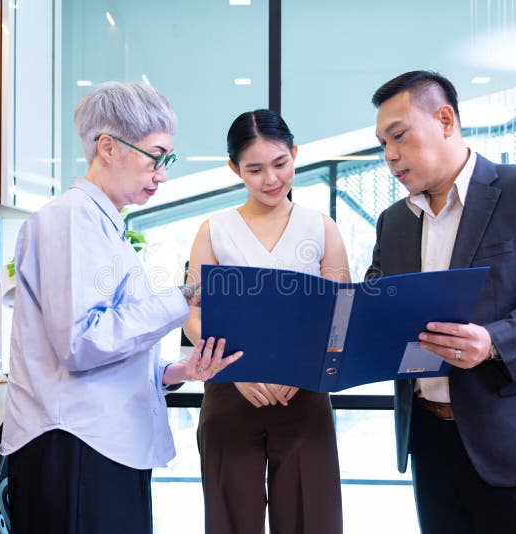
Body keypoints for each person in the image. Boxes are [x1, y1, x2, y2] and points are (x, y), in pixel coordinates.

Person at [366, 70, 516, 533]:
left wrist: (494, 340)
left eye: (398, 136)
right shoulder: (393, 221)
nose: (389, 156)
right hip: (428, 438)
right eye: (382, 143)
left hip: (514, 438)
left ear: (444, 120)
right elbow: (379, 302)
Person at [0, 82, 242, 534]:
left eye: (167, 159)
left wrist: (175, 371)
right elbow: (82, 343)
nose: (162, 174)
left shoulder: (104, 226)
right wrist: (185, 296)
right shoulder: (71, 219)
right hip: (76, 445)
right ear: (107, 147)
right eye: (155, 155)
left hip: (99, 442)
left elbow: (109, 343)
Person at [183, 109, 349, 534]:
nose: (271, 179)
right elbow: (192, 314)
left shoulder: (322, 228)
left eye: (280, 164)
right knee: (231, 520)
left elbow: (343, 314)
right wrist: (238, 369)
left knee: (309, 518)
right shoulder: (214, 230)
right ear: (234, 168)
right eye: (255, 169)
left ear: (294, 154)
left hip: (305, 395)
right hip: (231, 396)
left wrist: (302, 365)